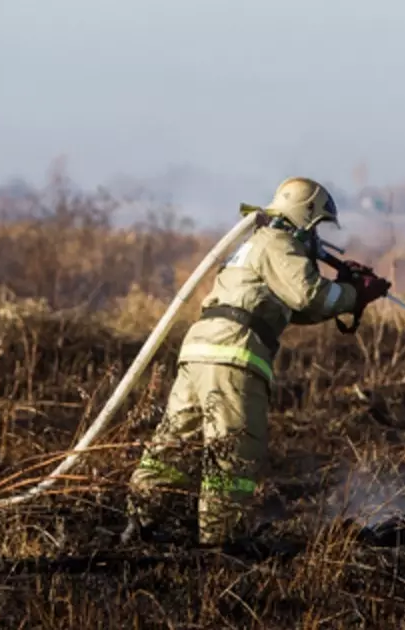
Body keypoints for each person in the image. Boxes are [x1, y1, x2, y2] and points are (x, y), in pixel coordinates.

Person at [120, 176, 391, 547]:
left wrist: (348, 292)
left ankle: (140, 523)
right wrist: (353, 292)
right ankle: (219, 544)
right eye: (318, 226)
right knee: (233, 453)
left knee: (174, 444)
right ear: (307, 217)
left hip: (200, 353)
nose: (318, 236)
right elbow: (311, 297)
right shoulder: (279, 243)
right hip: (233, 358)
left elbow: (294, 308)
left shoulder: (256, 245)